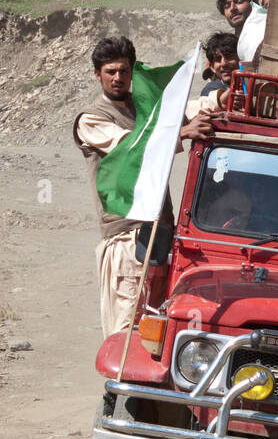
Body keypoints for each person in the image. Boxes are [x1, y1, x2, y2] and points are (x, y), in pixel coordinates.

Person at [73, 36, 213, 338]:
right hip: (126, 237)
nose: (118, 78)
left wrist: (221, 98)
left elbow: (187, 105)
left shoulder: (146, 109)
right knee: (126, 328)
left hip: (160, 235)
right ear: (97, 75)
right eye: (110, 71)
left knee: (158, 326)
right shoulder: (91, 119)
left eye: (124, 71)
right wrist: (183, 132)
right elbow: (131, 150)